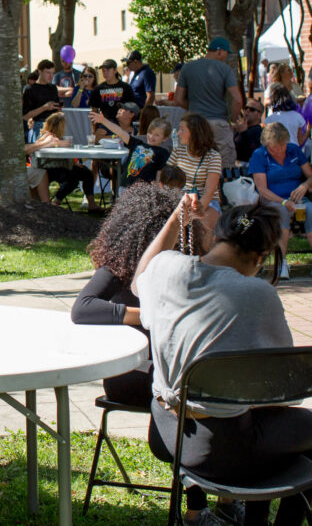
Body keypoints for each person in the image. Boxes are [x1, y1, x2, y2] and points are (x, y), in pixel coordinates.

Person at [135, 200, 310, 526]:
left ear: (216, 235)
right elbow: (284, 389)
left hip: (167, 434)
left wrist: (176, 219)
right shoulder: (255, 294)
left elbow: (138, 280)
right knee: (297, 434)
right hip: (225, 449)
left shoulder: (164, 269)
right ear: (259, 258)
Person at [71, 184, 200, 407]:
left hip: (159, 376)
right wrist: (149, 316)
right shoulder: (118, 269)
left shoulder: (184, 265)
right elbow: (83, 309)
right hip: (134, 376)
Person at [248, 122, 312, 280]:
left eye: (282, 145)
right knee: (282, 212)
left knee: (311, 210)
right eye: (274, 147)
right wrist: (284, 202)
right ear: (267, 144)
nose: (279, 150)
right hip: (271, 200)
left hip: (297, 199)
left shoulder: (294, 150)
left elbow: (310, 176)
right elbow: (262, 189)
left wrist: (305, 185)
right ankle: (281, 263)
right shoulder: (259, 155)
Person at [175, 36, 243, 167]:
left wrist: (194, 108)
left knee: (194, 166)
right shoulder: (224, 69)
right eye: (226, 54)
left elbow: (178, 100)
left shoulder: (187, 68)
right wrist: (232, 121)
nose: (226, 58)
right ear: (219, 51)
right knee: (225, 167)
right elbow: (238, 100)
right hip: (218, 122)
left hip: (194, 124)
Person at [33, 113, 100, 211]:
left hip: (62, 167)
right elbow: (47, 148)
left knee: (86, 173)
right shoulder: (46, 136)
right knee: (72, 178)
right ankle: (56, 202)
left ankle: (92, 204)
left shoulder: (61, 137)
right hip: (47, 168)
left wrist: (74, 163)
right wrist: (58, 144)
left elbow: (66, 154)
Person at [167, 113, 222, 229]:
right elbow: (167, 177)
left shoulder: (213, 156)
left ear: (194, 133)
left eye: (182, 130)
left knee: (201, 225)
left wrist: (196, 210)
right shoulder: (178, 152)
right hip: (181, 199)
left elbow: (209, 192)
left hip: (205, 201)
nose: (178, 133)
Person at [90, 112, 171, 189]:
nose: (152, 137)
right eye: (150, 133)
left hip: (144, 192)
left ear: (165, 138)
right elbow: (120, 132)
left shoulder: (163, 153)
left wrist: (157, 190)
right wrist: (103, 121)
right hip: (125, 187)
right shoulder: (136, 143)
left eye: (157, 135)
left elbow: (159, 174)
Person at [89, 59, 137, 128]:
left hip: (122, 125)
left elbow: (131, 110)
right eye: (103, 71)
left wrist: (127, 127)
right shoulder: (98, 89)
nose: (105, 73)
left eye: (108, 70)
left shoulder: (126, 88)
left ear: (115, 70)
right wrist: (94, 129)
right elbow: (94, 111)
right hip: (104, 126)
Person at [22, 59, 61, 142]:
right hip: (39, 128)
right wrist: (45, 107)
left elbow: (57, 109)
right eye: (48, 72)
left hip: (55, 126)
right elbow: (25, 116)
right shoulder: (30, 89)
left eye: (52, 73)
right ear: (40, 71)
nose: (51, 76)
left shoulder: (53, 88)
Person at [233, 99, 264, 164]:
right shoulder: (241, 129)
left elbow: (255, 150)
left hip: (247, 167)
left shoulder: (258, 131)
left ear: (259, 114)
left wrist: (243, 133)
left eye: (252, 109)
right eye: (246, 108)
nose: (247, 111)